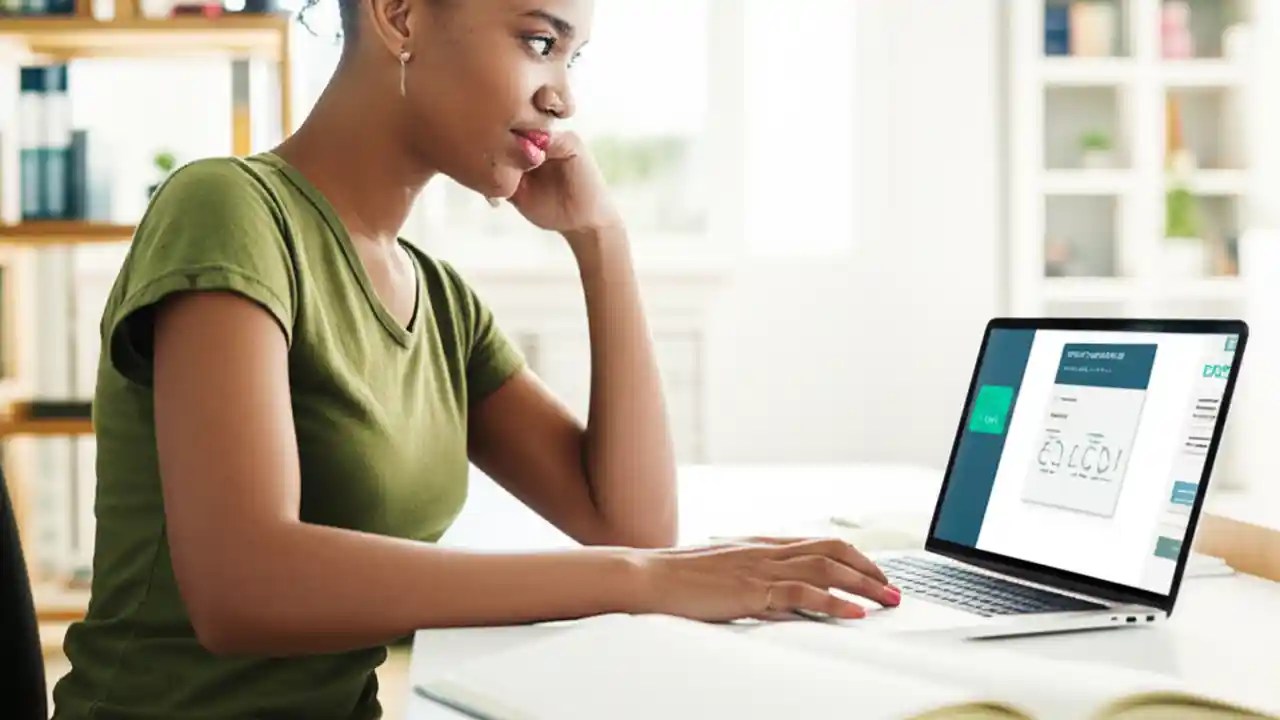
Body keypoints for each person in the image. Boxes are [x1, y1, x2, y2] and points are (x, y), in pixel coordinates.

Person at [51, 0, 900, 717]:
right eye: (539, 41)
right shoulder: (228, 209)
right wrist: (636, 579)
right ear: (400, 14)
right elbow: (242, 590)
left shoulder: (439, 298)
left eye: (574, 57)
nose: (563, 95)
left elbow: (632, 522)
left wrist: (602, 242)